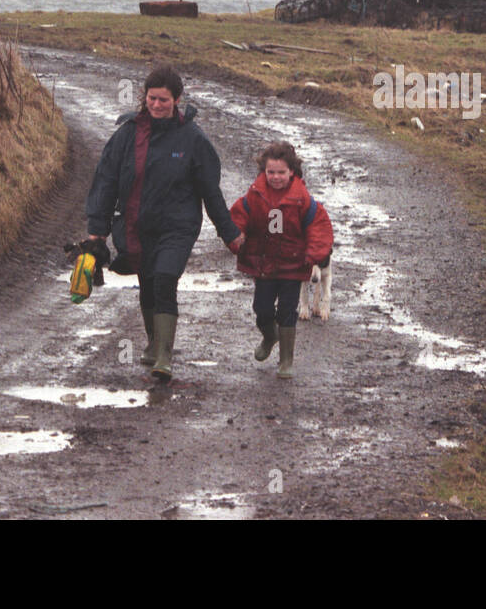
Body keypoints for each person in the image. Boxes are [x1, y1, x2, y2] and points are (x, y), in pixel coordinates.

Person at [84, 65, 243, 382]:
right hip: (136, 224)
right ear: (144, 97)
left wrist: (230, 234)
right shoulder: (127, 135)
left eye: (164, 100)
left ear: (178, 100)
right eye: (152, 99)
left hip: (178, 226)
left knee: (165, 278)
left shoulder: (193, 139)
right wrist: (97, 230)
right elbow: (105, 182)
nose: (157, 105)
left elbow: (210, 192)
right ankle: (154, 342)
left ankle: (164, 358)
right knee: (147, 283)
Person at [229, 141, 333, 379]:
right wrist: (236, 237)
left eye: (281, 172)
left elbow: (319, 227)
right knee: (262, 308)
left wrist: (312, 255)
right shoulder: (254, 196)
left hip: (293, 266)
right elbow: (238, 217)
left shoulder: (303, 200)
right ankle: (269, 336)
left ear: (292, 172)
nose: (276, 177)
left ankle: (286, 360)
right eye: (271, 172)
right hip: (264, 265)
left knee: (288, 310)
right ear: (263, 172)